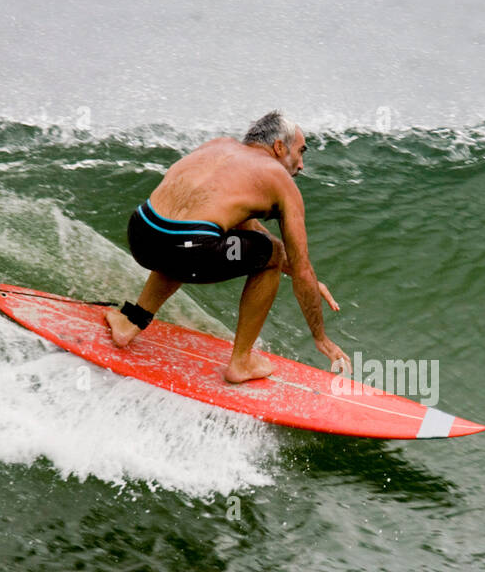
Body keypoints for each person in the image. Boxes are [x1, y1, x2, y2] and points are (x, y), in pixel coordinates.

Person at [105, 110, 350, 383]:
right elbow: (299, 264)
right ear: (279, 147)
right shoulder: (278, 179)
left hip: (141, 233)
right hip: (188, 249)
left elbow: (231, 222)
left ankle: (131, 321)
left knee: (184, 238)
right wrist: (321, 337)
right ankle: (241, 362)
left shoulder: (218, 146)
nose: (301, 165)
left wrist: (301, 276)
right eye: (300, 152)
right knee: (270, 253)